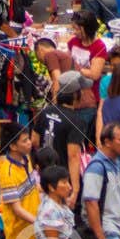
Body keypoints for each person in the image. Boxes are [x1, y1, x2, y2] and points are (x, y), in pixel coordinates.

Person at [34, 77, 89, 207]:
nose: (83, 94)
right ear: (75, 94)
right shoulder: (77, 121)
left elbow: (35, 141)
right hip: (62, 180)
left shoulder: (46, 111)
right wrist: (75, 190)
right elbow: (73, 156)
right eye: (81, 90)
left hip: (43, 175)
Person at [0, 125, 40, 239]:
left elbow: (34, 187)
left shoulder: (26, 159)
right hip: (18, 238)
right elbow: (17, 209)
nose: (30, 142)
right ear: (13, 146)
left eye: (28, 139)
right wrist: (40, 221)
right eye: (25, 140)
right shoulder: (7, 172)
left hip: (33, 234)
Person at [31, 165, 79, 239]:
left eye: (68, 182)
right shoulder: (50, 210)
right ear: (51, 187)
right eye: (64, 182)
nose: (69, 187)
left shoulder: (59, 204)